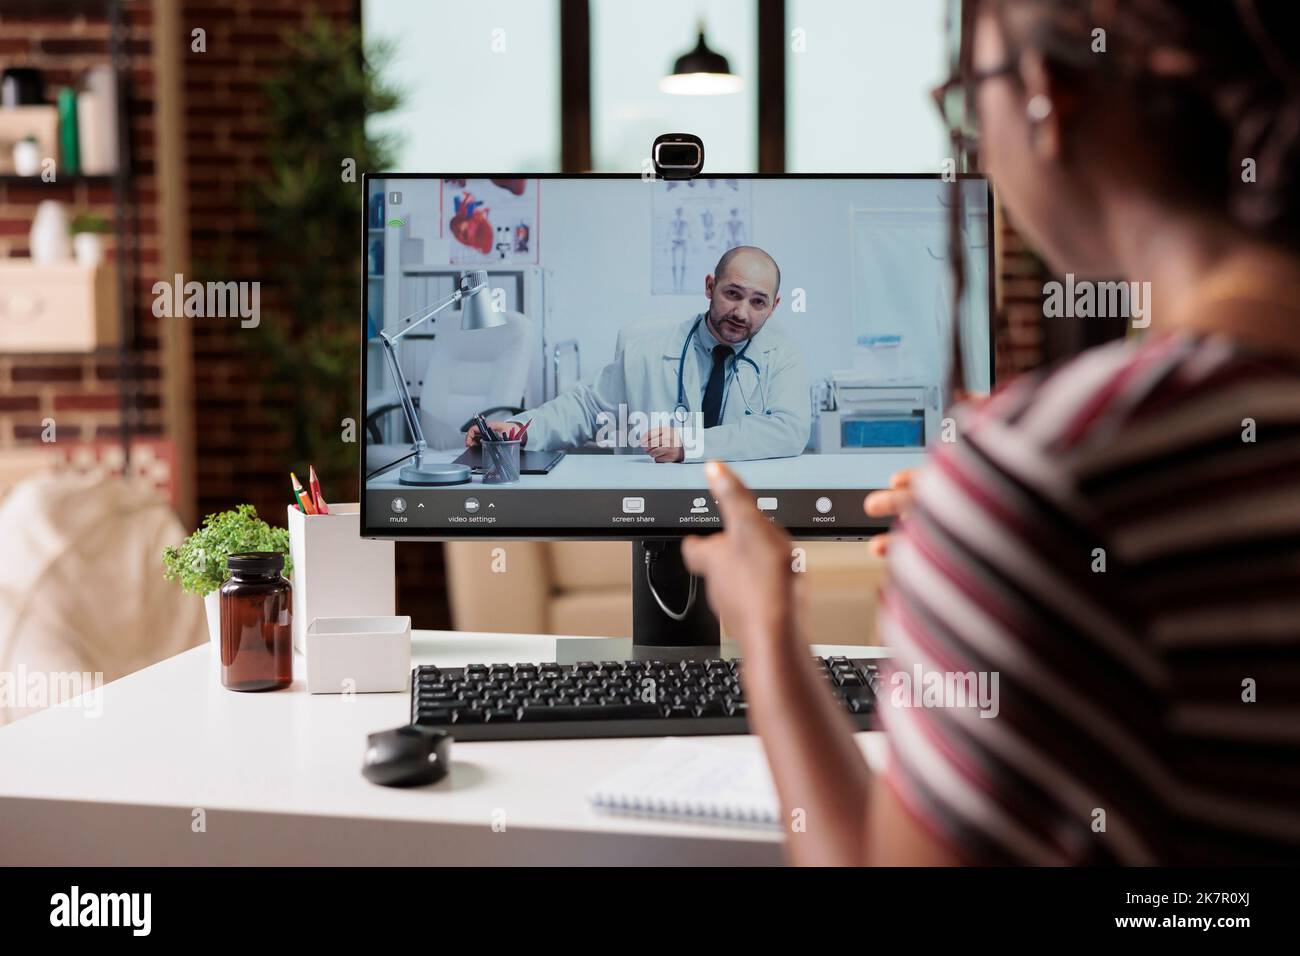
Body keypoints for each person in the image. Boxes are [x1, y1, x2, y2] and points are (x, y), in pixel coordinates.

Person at [682, 0, 1300, 865]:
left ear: (1045, 94)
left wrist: (768, 633)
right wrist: (1003, 577)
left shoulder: (1054, 468)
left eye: (967, 98)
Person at [466, 246, 811, 463]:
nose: (741, 312)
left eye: (757, 302)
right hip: (655, 505)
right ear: (710, 287)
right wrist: (519, 429)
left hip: (743, 505)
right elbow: (585, 409)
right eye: (732, 294)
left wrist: (689, 444)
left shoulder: (783, 358)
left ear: (774, 306)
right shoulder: (646, 352)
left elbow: (789, 431)